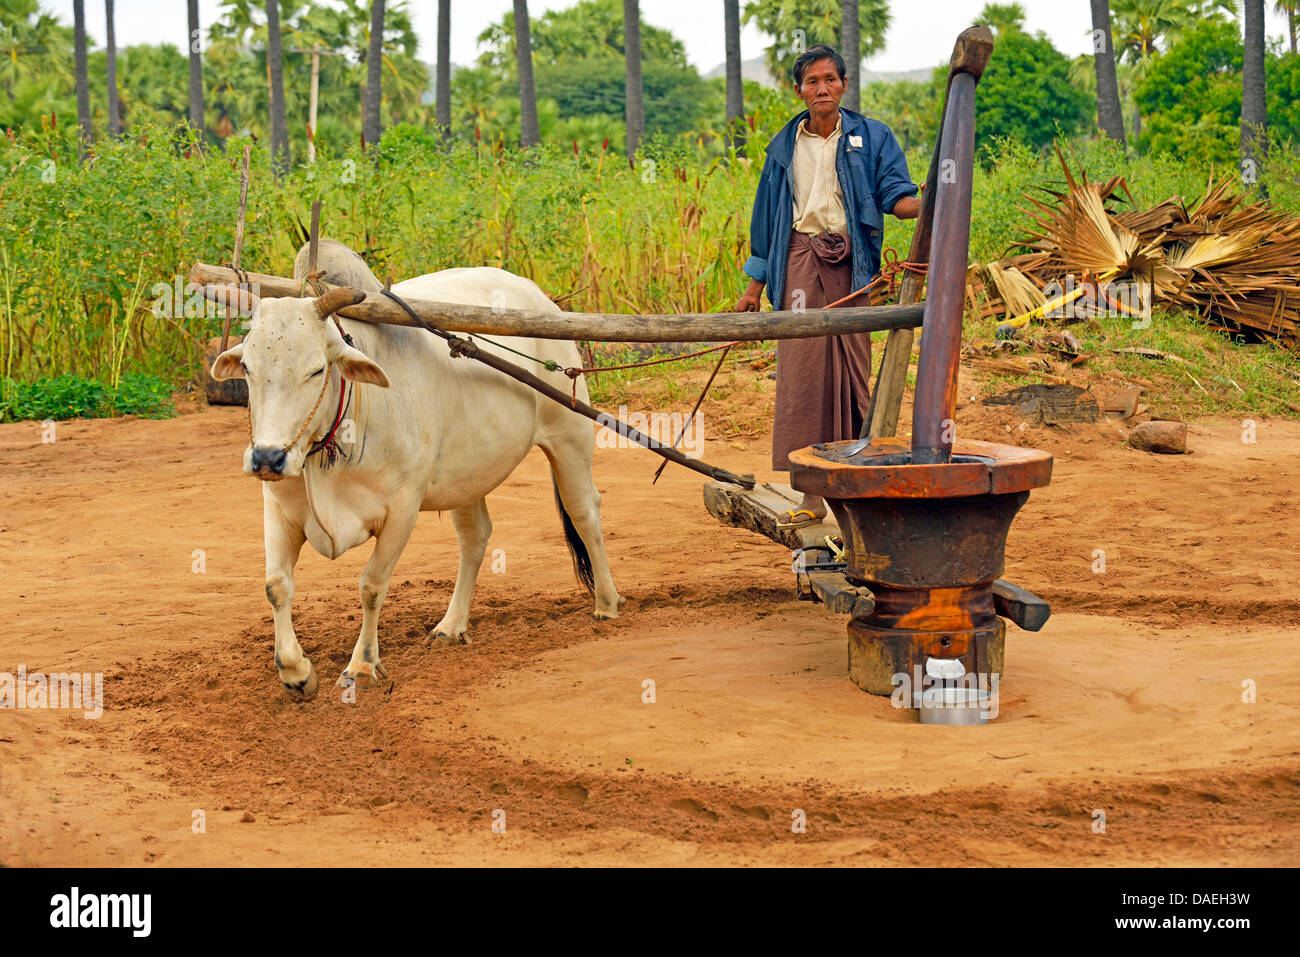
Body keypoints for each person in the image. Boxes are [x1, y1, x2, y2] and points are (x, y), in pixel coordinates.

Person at [735, 43, 920, 527]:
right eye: (812, 81)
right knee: (803, 377)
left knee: (854, 374)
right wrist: (754, 288)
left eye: (830, 79)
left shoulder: (871, 137)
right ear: (800, 90)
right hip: (797, 262)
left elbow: (896, 197)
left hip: (852, 265)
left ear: (843, 85)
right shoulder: (782, 148)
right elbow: (765, 221)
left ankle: (858, 492)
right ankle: (812, 500)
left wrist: (934, 201)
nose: (822, 88)